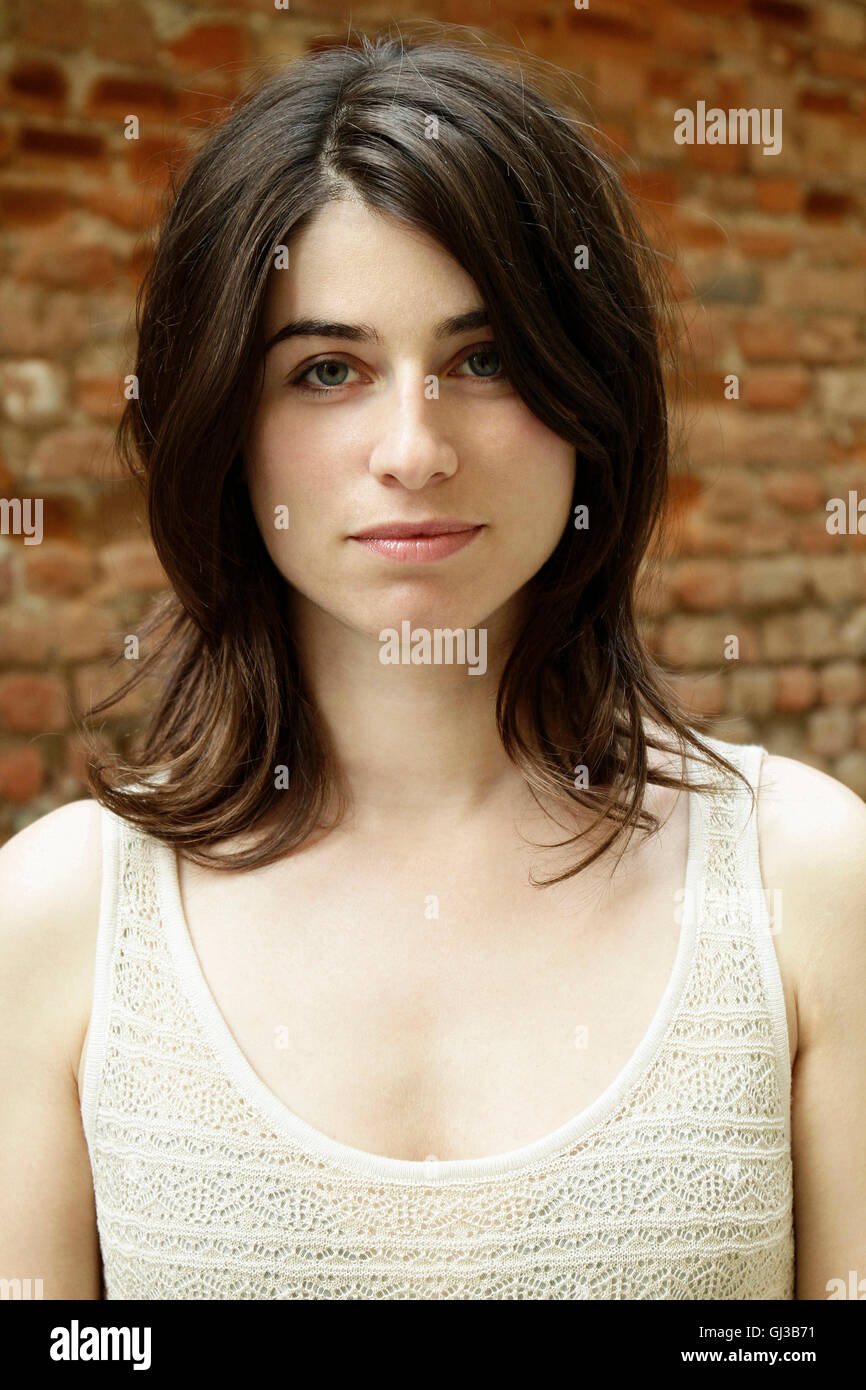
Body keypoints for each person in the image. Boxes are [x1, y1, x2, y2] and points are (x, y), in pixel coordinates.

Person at [1, 28, 864, 1302]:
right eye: (328, 369)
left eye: (485, 358)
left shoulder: (801, 879)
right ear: (223, 424)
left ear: (591, 398)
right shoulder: (60, 917)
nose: (412, 448)